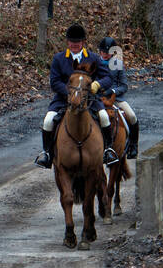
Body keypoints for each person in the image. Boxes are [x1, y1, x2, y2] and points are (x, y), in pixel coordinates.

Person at [35, 22, 118, 168]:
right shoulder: (58, 58)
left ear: (83, 42)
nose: (74, 44)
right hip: (63, 99)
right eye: (72, 42)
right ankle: (47, 153)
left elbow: (108, 78)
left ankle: (108, 150)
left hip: (90, 100)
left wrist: (96, 84)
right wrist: (71, 93)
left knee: (104, 117)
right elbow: (54, 82)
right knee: (48, 121)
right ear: (67, 42)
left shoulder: (93, 58)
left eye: (77, 42)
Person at [98, 36, 139, 159]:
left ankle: (133, 146)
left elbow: (124, 86)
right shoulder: (94, 63)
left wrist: (113, 91)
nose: (105, 55)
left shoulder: (117, 64)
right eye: (103, 52)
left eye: (108, 53)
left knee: (132, 116)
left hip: (116, 98)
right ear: (99, 51)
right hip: (99, 98)